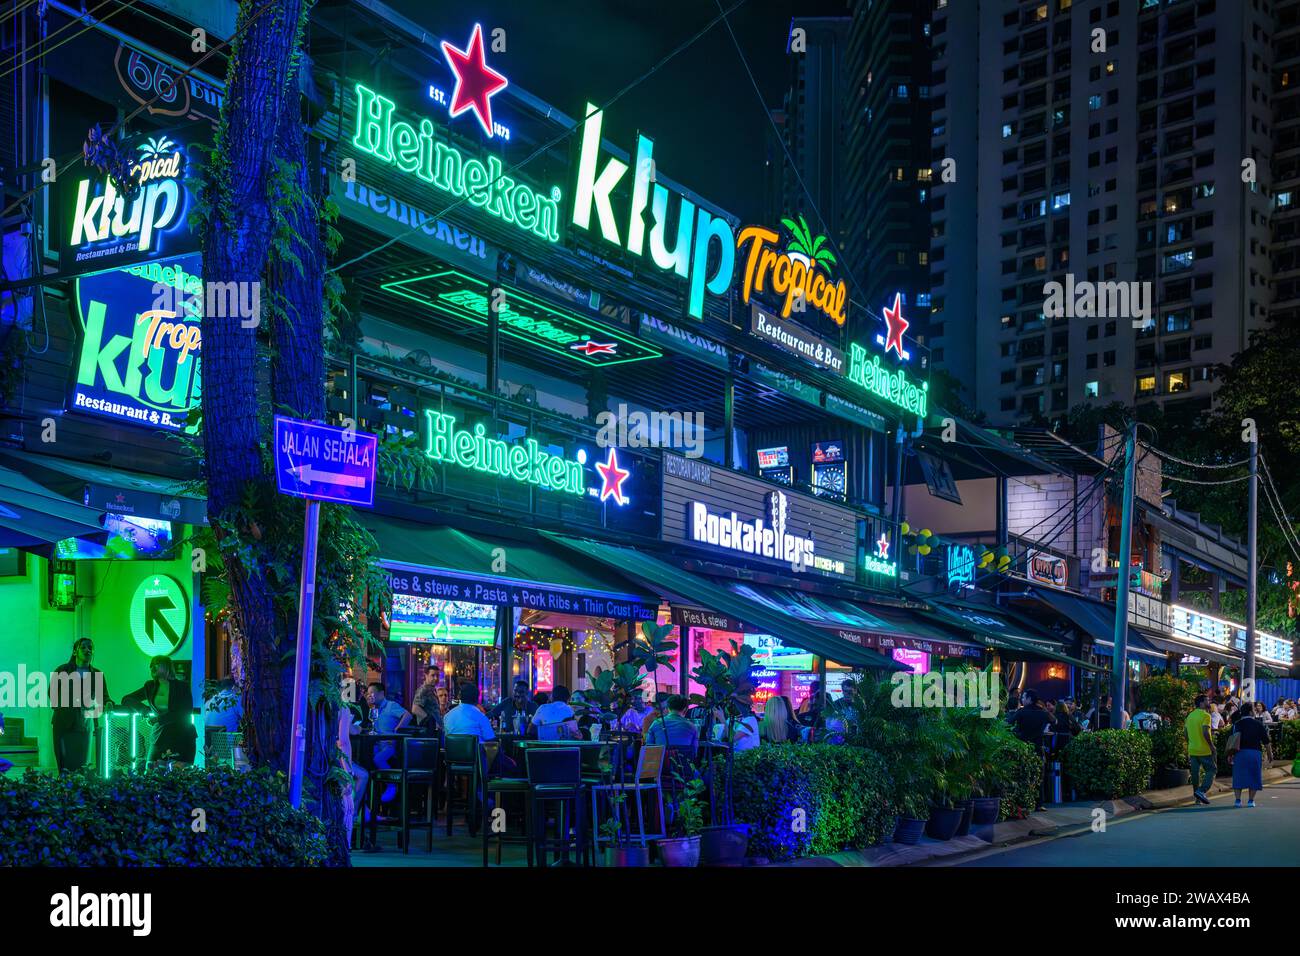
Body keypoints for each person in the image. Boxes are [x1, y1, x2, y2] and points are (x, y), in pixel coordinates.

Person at [122, 656, 197, 767]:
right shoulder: (150, 686)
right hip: (160, 737)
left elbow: (186, 712)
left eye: (157, 663)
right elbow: (127, 699)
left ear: (167, 667)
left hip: (183, 736)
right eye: (151, 664)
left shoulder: (182, 686)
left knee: (181, 776)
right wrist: (144, 710)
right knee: (151, 772)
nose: (152, 666)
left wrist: (159, 719)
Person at [51, 637, 112, 773]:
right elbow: (52, 692)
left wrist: (107, 703)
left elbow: (104, 696)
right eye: (83, 647)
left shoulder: (97, 674)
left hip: (84, 724)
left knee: (82, 765)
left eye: (90, 648)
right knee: (64, 766)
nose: (87, 650)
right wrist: (65, 707)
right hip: (63, 723)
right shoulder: (62, 670)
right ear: (75, 652)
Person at [365, 682, 410, 803]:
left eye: (372, 693)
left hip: (390, 745)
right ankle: (368, 802)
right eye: (368, 694)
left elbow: (408, 715)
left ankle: (391, 785)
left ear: (381, 694)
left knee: (377, 759)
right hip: (376, 744)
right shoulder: (373, 709)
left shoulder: (391, 705)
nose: (369, 696)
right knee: (365, 759)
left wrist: (397, 730)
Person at [1008, 690, 1053, 810]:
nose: (1022, 699)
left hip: (1023, 747)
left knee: (1022, 774)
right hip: (1037, 747)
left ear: (1029, 699)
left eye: (1023, 697)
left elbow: (1008, 723)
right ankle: (1039, 804)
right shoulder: (1043, 713)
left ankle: (1022, 803)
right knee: (1039, 775)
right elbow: (1055, 721)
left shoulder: (1021, 712)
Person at [338, 700, 368, 848]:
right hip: (336, 759)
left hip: (316, 759)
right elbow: (343, 741)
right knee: (361, 776)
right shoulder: (341, 707)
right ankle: (355, 815)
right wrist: (347, 772)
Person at [1229, 704, 1269, 807]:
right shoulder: (1258, 724)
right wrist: (1270, 754)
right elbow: (1266, 741)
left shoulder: (1237, 724)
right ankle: (1251, 801)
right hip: (1255, 753)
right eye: (1254, 710)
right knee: (1254, 776)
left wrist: (1230, 754)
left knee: (1238, 776)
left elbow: (1232, 740)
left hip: (1239, 753)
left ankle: (1237, 801)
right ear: (1251, 712)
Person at [1185, 694, 1216, 805]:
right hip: (1204, 749)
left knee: (1195, 774)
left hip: (1192, 749)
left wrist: (1191, 743)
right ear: (1201, 703)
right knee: (1211, 770)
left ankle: (1197, 798)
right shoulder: (1206, 715)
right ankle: (1201, 791)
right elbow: (1205, 732)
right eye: (1207, 700)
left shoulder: (1190, 716)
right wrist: (1211, 746)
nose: (1209, 702)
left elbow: (1185, 732)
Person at [411, 668, 445, 737]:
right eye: (433, 675)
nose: (436, 678)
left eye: (437, 676)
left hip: (433, 731)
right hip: (427, 732)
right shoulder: (424, 689)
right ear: (426, 675)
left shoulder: (432, 690)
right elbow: (415, 709)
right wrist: (430, 720)